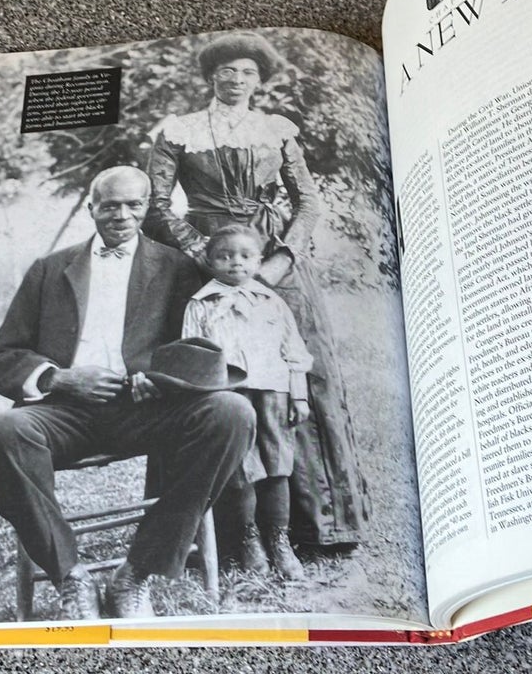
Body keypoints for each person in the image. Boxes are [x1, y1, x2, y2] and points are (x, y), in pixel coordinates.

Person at [0, 166, 256, 621]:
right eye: (110, 205)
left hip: (146, 410)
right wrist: (57, 379)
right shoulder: (49, 269)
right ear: (91, 208)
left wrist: (159, 378)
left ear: (147, 208)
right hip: (63, 413)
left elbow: (199, 348)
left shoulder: (176, 267)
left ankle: (137, 572)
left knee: (231, 413)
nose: (121, 214)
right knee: (1, 432)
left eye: (133, 204)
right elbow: (1, 358)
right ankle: (71, 578)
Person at [144, 31, 368, 551]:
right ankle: (219, 533)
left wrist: (279, 261)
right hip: (208, 261)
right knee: (213, 379)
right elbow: (157, 206)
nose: (236, 80)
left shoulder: (277, 130)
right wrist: (205, 254)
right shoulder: (180, 130)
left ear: (259, 81)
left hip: (275, 260)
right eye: (227, 71)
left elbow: (307, 202)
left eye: (247, 72)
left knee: (297, 378)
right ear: (210, 77)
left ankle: (318, 528)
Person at [182, 224, 314, 579]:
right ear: (210, 262)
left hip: (273, 392)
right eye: (224, 256)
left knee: (277, 467)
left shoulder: (273, 301)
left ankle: (280, 542)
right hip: (230, 397)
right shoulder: (200, 305)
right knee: (242, 471)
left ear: (258, 261)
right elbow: (193, 357)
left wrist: (298, 395)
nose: (235, 263)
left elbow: (294, 352)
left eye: (244, 256)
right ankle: (249, 540)